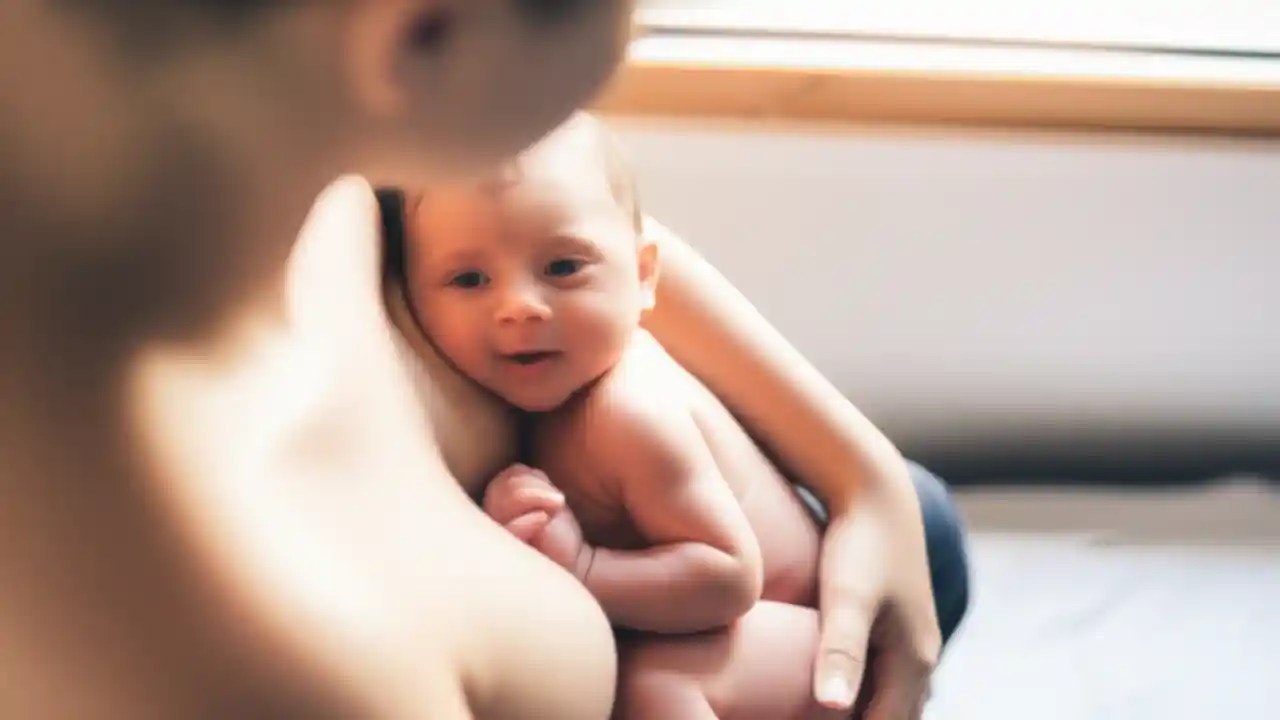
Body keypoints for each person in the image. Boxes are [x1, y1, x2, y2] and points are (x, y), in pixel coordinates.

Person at [0, 2, 966, 719]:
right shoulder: (286, 661)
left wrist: (860, 472)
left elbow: (569, 220)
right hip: (742, 650)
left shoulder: (264, 130)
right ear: (421, 33)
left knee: (925, 519)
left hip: (762, 549)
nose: (519, 304)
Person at [405, 112, 840, 719]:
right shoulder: (541, 384)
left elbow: (729, 577)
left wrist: (584, 568)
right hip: (715, 619)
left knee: (651, 682)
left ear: (642, 276)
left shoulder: (630, 414)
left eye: (563, 267)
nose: (519, 307)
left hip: (804, 621)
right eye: (470, 278)